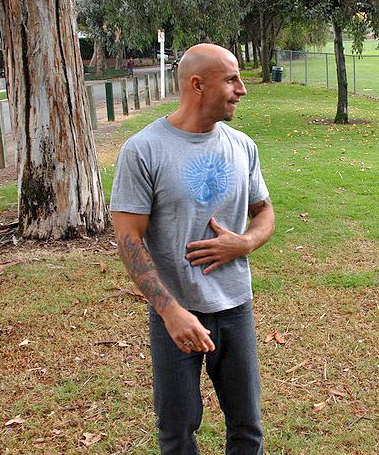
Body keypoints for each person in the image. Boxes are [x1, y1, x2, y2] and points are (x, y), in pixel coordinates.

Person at [109, 43, 275, 455]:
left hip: (236, 307)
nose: (242, 89)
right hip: (176, 314)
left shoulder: (243, 146)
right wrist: (170, 311)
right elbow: (128, 239)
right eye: (231, 79)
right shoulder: (144, 149)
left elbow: (264, 211)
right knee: (177, 431)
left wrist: (246, 242)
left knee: (247, 427)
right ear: (197, 85)